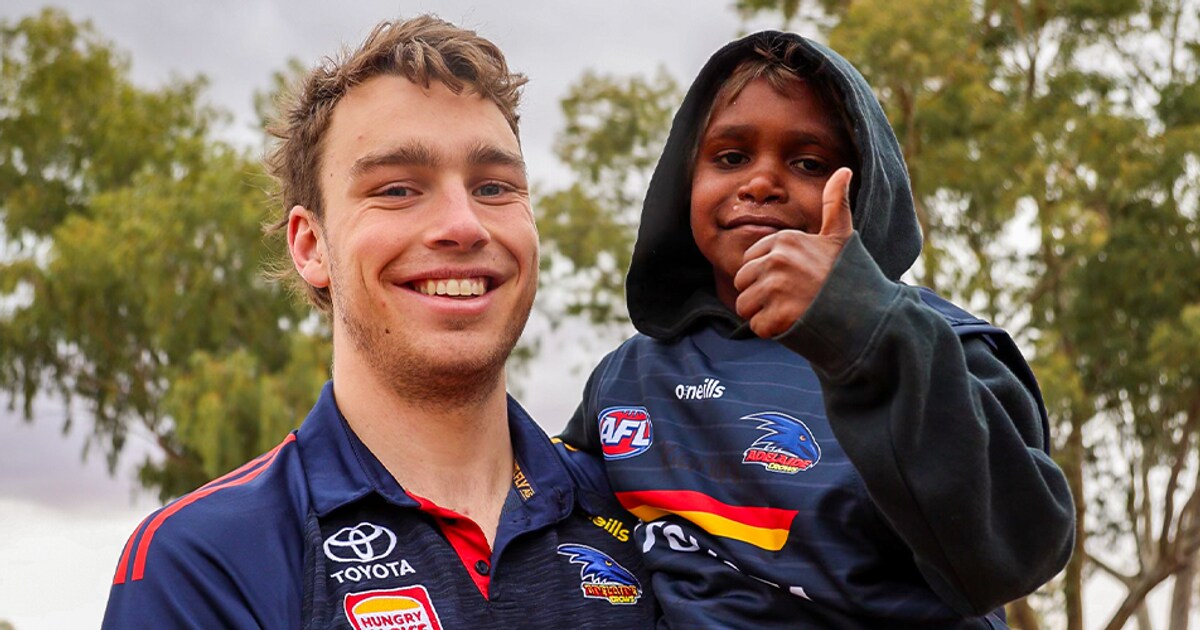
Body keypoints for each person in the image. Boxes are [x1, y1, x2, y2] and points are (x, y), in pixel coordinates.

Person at [102, 16, 654, 629]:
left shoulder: (648, 512)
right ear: (310, 246)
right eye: (396, 189)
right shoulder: (208, 559)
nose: (464, 224)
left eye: (494, 187)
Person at [560, 30, 1074, 628]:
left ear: (865, 191)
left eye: (809, 163)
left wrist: (862, 326)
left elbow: (1014, 554)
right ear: (682, 184)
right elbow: (558, 525)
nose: (761, 182)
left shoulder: (942, 348)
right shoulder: (630, 376)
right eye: (730, 157)